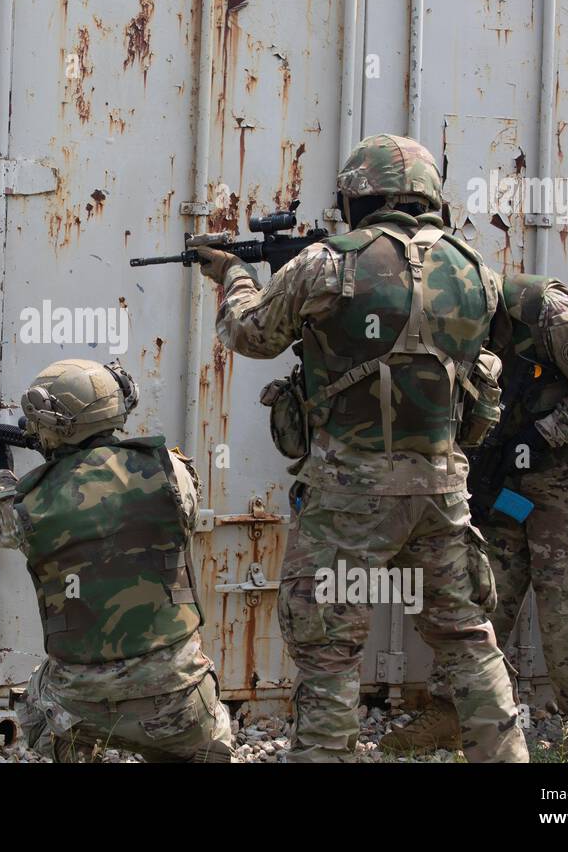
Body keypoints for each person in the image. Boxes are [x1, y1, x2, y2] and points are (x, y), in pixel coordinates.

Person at [195, 133, 527, 762]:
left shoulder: (328, 263)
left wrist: (234, 275)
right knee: (465, 635)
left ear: (359, 197)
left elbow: (251, 334)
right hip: (441, 488)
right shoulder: (477, 270)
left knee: (328, 648)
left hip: (351, 494)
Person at [384, 274, 568, 753]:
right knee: (480, 593)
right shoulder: (442, 320)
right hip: (504, 478)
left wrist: (541, 438)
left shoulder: (544, 310)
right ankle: (454, 711)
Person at [0, 358, 233, 762]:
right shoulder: (171, 471)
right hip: (177, 702)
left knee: (37, 699)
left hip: (80, 707)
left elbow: (1, 520)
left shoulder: (28, 503)